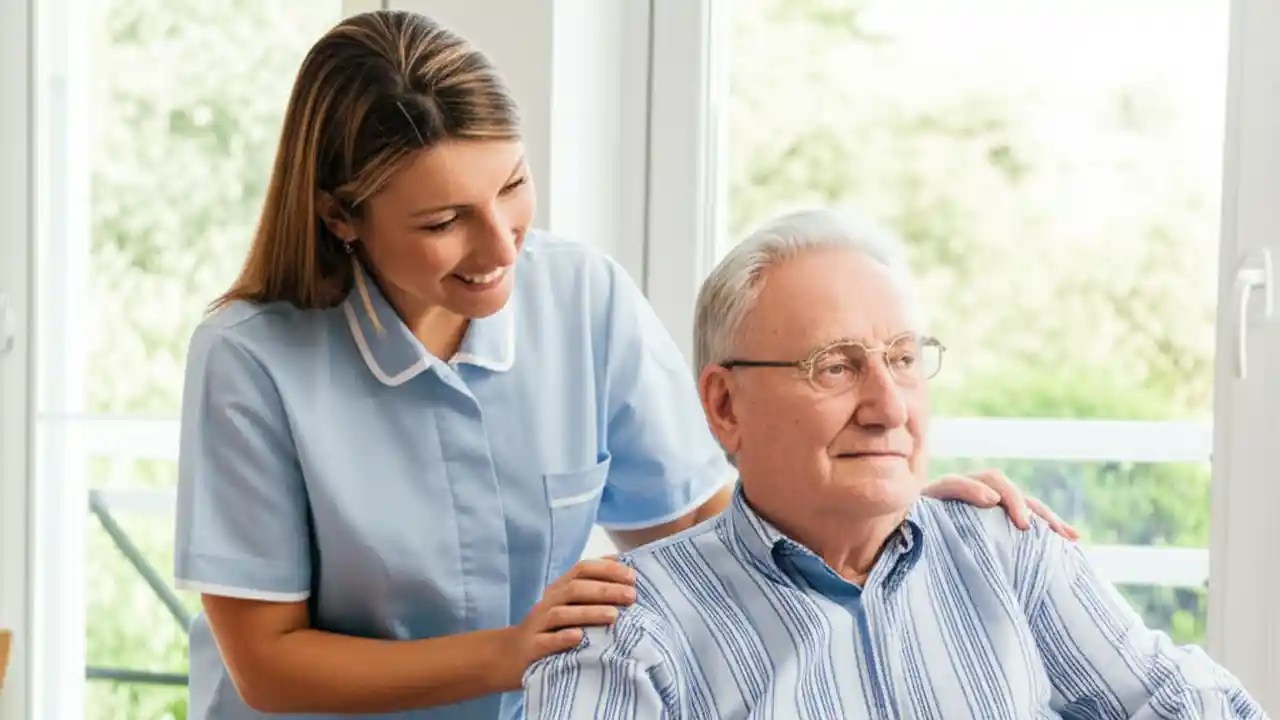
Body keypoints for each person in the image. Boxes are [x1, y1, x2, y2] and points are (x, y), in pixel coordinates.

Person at [173, 11, 1072, 720]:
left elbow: (710, 529)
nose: (500, 245)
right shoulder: (251, 359)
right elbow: (268, 664)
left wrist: (883, 507)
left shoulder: (581, 299)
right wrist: (509, 651)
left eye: (514, 187)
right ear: (340, 217)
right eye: (444, 221)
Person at [524, 209, 1263, 719]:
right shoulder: (626, 630)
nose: (888, 406)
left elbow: (1183, 704)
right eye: (836, 367)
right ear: (723, 406)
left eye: (904, 360)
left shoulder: (1007, 550)